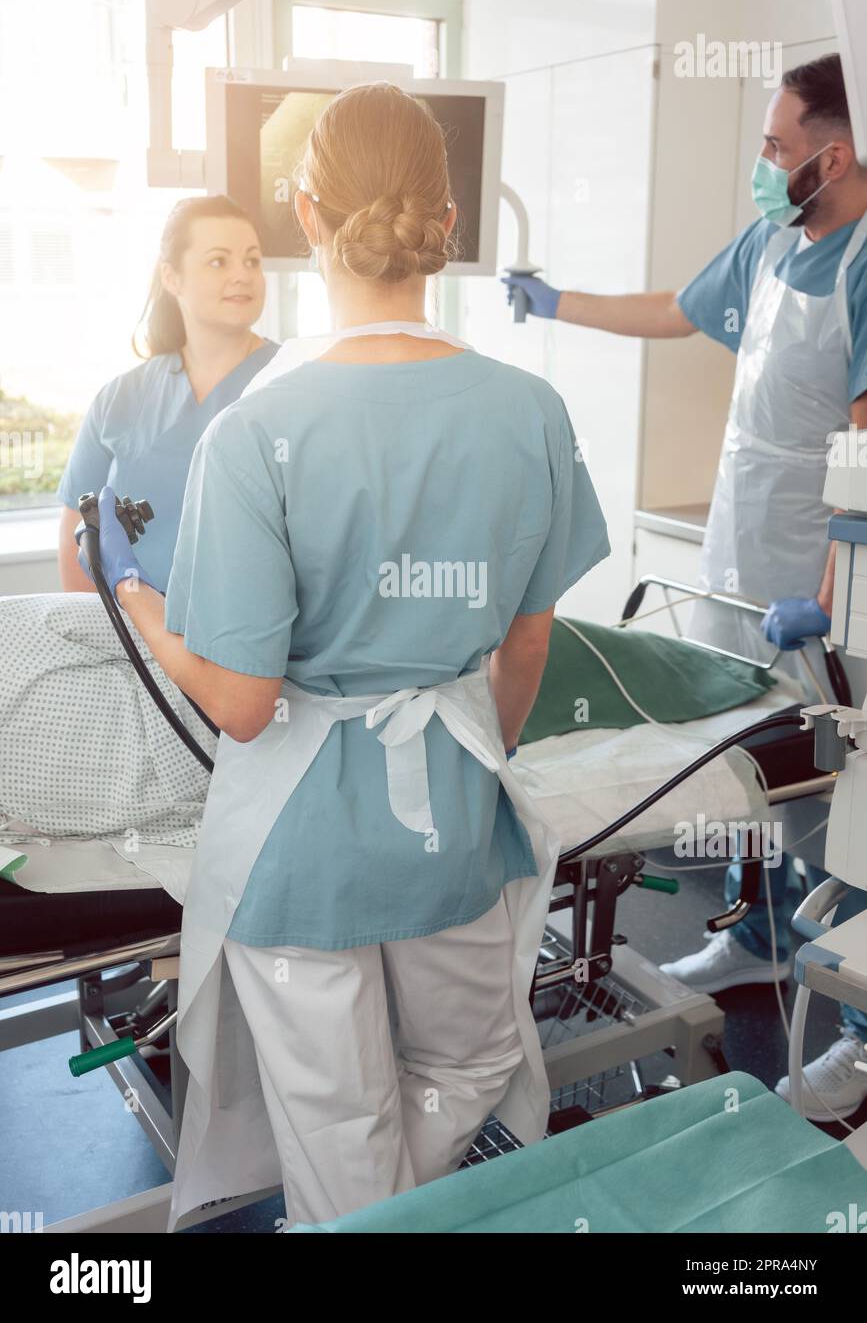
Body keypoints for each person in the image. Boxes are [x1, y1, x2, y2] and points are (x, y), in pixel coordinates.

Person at [80, 82, 610, 1229]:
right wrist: (482, 744)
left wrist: (150, 612)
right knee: (469, 1066)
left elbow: (244, 700)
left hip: (296, 842)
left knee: (336, 1125)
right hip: (455, 819)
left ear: (306, 214)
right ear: (447, 214)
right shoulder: (530, 408)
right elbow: (527, 638)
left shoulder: (258, 431)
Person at [505, 53, 867, 1121]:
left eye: (775, 147)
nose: (763, 164)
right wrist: (557, 301)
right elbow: (675, 309)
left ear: (830, 154)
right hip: (735, 562)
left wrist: (838, 598)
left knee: (831, 805)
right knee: (755, 774)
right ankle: (758, 940)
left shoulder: (860, 264)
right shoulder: (769, 242)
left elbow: (866, 461)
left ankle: (854, 1026)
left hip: (820, 588)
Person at [57, 195, 279, 593]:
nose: (243, 274)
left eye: (252, 260)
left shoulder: (290, 385)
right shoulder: (120, 399)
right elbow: (78, 537)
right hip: (130, 642)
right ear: (172, 277)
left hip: (255, 645)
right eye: (218, 261)